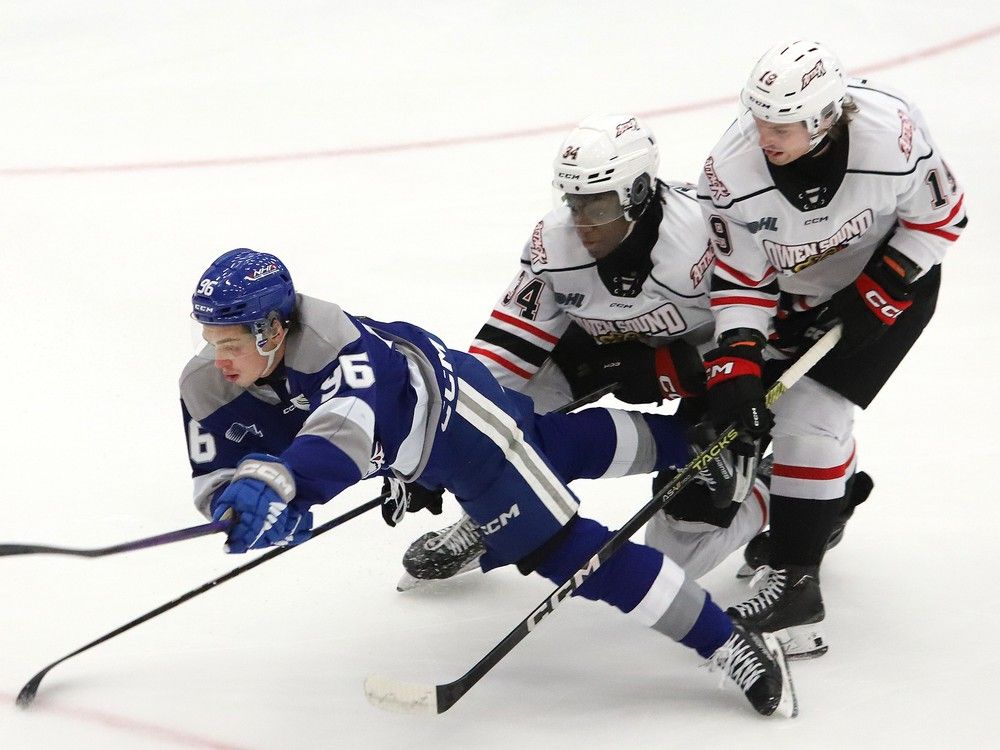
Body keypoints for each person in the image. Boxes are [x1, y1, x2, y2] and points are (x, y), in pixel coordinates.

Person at [179, 248, 796, 717]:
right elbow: (218, 478)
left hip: (461, 429)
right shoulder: (205, 382)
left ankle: (725, 640)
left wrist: (288, 485)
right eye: (211, 342)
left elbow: (342, 433)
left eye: (231, 343)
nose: (219, 359)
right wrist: (254, 514)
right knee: (549, 443)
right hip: (412, 440)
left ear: (273, 331)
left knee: (564, 550)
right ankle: (695, 442)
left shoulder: (338, 349)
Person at [400, 114, 770, 589]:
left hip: (709, 368)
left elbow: (757, 315)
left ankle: (781, 487)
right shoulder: (553, 244)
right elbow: (499, 358)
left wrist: (703, 377)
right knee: (500, 409)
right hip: (603, 349)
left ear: (637, 193)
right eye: (573, 202)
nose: (581, 222)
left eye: (597, 206)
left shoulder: (701, 232)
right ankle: (494, 511)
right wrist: (440, 431)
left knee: (676, 560)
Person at [696, 41, 965, 658]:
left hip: (895, 281)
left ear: (823, 117)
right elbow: (740, 280)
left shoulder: (891, 134)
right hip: (799, 296)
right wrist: (737, 358)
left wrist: (880, 286)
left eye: (782, 124)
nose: (765, 135)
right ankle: (823, 507)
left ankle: (796, 583)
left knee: (810, 412)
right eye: (758, 118)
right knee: (770, 412)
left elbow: (942, 218)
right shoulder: (729, 171)